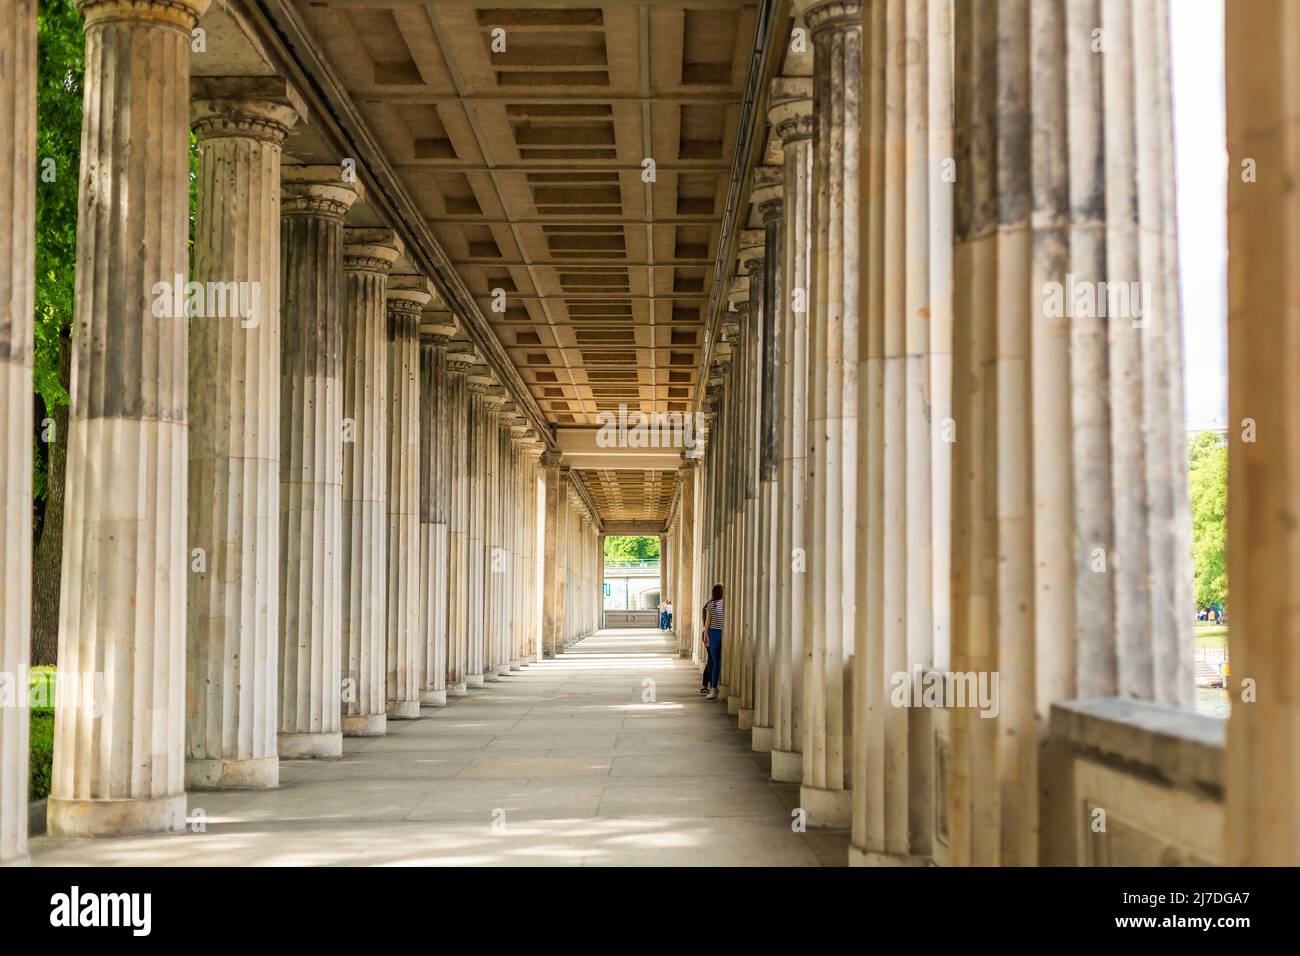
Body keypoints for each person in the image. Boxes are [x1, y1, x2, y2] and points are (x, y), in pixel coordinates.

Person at [701, 583, 723, 699]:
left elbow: (707, 622)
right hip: (723, 634)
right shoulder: (725, 604)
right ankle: (715, 687)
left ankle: (713, 689)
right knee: (718, 663)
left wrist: (705, 637)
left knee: (715, 663)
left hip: (713, 634)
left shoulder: (710, 605)